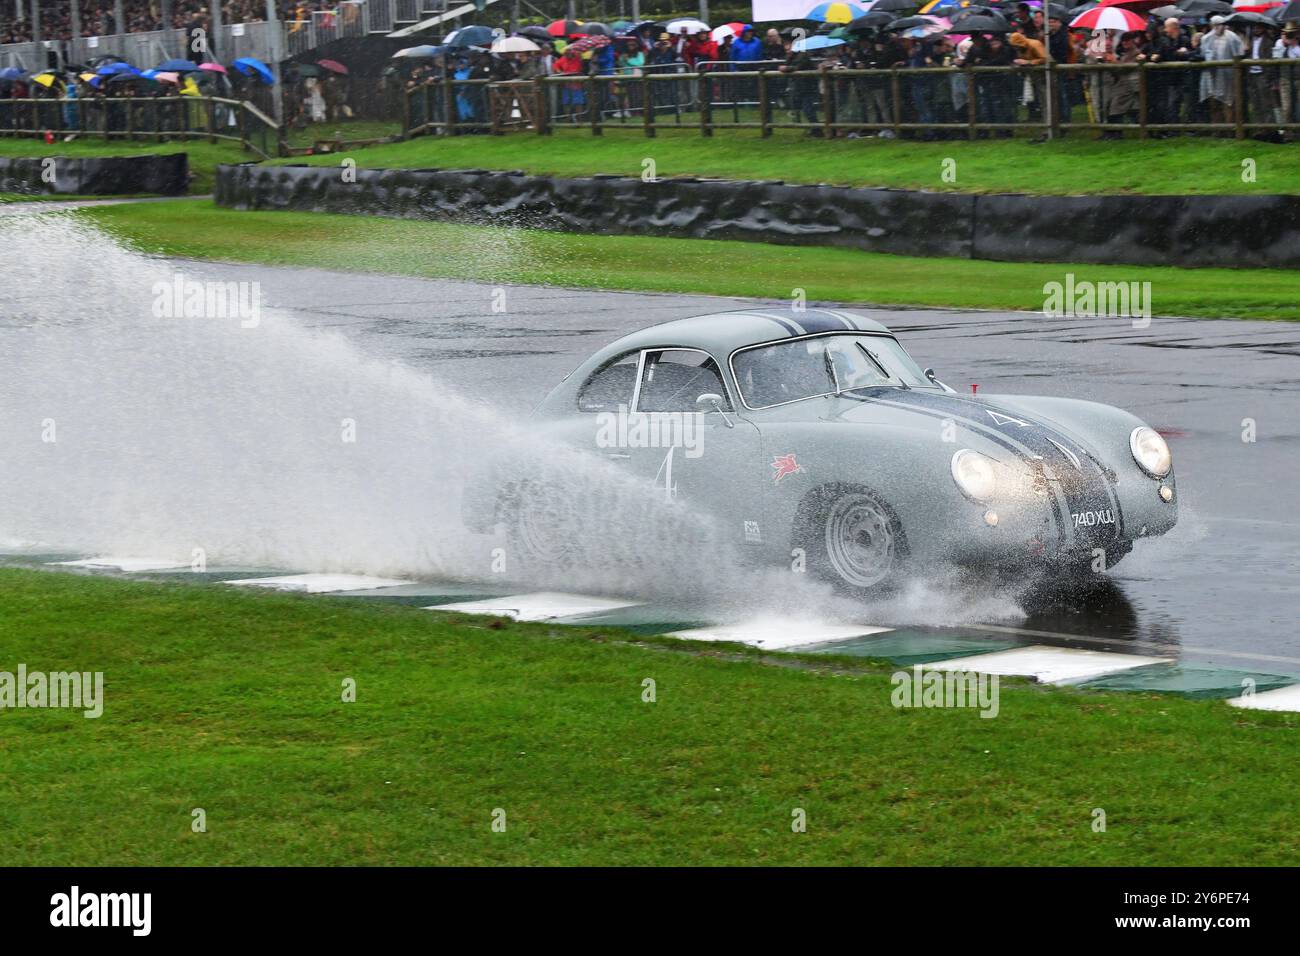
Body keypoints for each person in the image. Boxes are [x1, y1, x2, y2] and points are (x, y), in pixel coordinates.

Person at [1199, 15, 1245, 132]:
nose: (1220, 27)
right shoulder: (1206, 39)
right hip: (1212, 74)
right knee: (1214, 102)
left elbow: (1239, 54)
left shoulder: (1232, 38)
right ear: (1212, 26)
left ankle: (1231, 129)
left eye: (1221, 25)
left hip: (1228, 75)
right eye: (1216, 25)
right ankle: (1218, 130)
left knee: (1229, 102)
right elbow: (1202, 54)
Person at [1149, 17, 1193, 134]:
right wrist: (1156, 57)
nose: (1165, 30)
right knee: (1172, 104)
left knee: (1188, 104)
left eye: (1167, 27)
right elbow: (1162, 54)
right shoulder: (1164, 41)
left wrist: (1185, 52)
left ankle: (1190, 129)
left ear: (1173, 27)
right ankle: (1174, 130)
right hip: (1171, 78)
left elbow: (1192, 54)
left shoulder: (1184, 39)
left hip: (1184, 77)